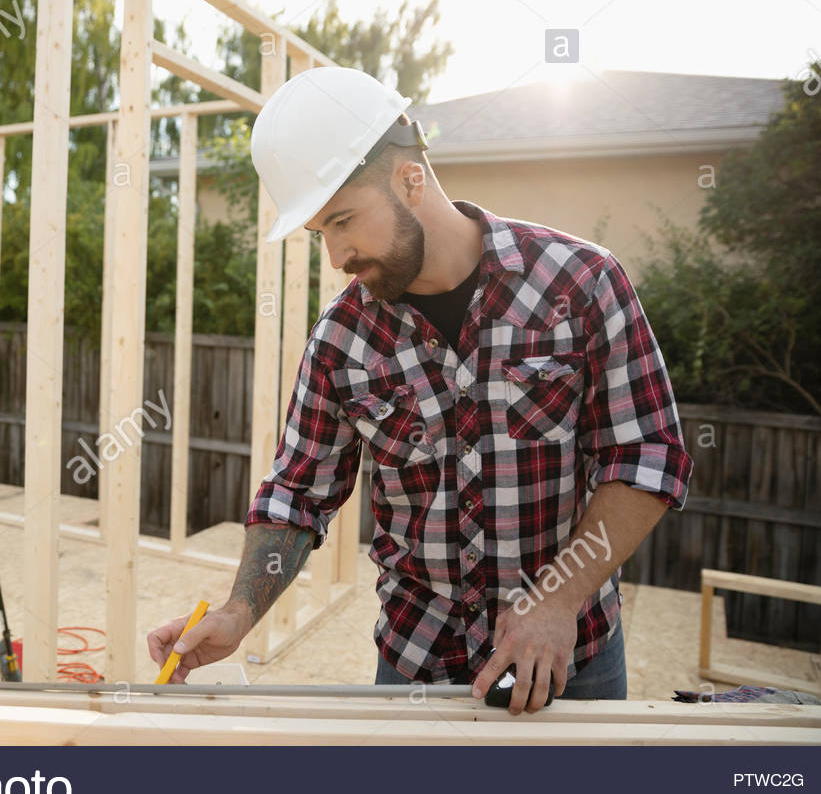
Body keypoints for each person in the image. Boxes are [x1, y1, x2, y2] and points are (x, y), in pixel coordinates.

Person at [147, 66, 693, 714]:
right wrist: (240, 611)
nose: (337, 255)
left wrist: (557, 601)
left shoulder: (582, 283)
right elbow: (297, 495)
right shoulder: (341, 338)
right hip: (413, 666)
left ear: (411, 178)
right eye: (322, 232)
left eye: (345, 220)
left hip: (570, 658)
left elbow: (648, 457)